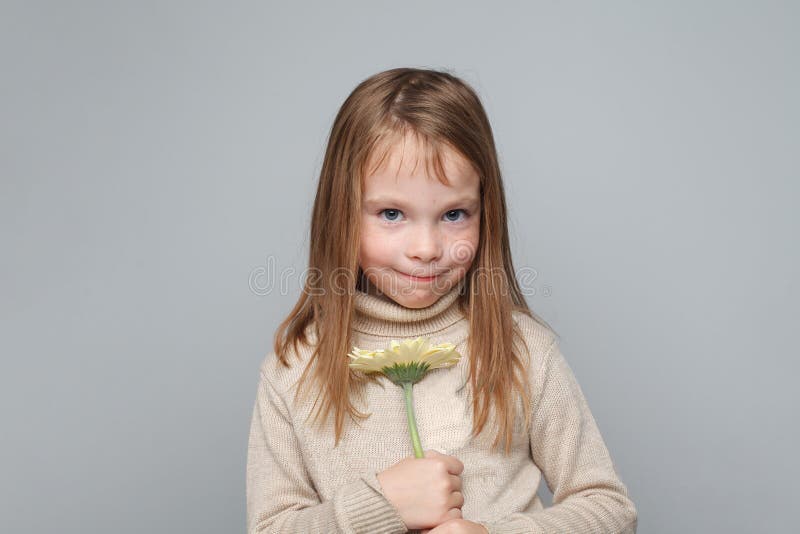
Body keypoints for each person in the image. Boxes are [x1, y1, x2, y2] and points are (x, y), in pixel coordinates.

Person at [246, 67, 638, 534]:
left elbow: (610, 509)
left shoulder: (523, 349)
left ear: (485, 211)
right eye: (392, 213)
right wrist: (379, 506)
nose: (427, 248)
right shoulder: (294, 368)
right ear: (341, 213)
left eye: (454, 214)